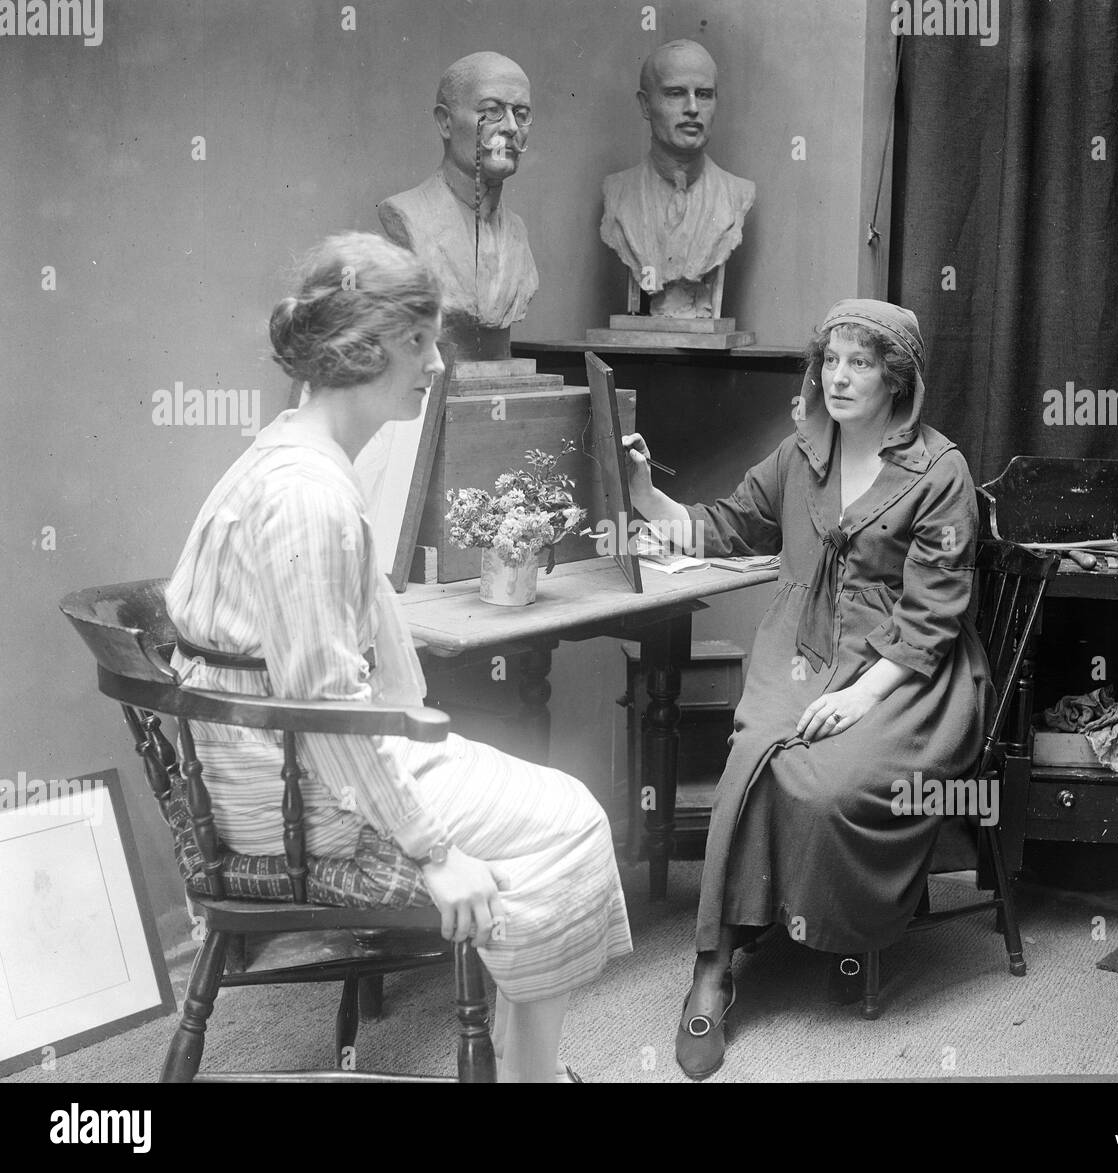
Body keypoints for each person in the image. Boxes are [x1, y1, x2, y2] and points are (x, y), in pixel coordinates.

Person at [166, 232, 631, 1083]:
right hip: (297, 798)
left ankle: (531, 1066)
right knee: (572, 824)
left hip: (283, 767)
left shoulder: (291, 455)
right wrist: (432, 850)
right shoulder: (308, 498)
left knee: (558, 804)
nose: (438, 362)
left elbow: (324, 687)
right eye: (421, 340)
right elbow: (330, 708)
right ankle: (532, 1077)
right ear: (364, 346)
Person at [623, 298, 992, 1079]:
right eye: (831, 360)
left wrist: (862, 697)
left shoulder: (941, 471)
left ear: (898, 379)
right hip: (801, 651)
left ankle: (832, 930)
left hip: (908, 670)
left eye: (861, 362)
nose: (840, 376)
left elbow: (932, 618)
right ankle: (715, 967)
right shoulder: (801, 453)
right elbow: (727, 526)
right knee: (756, 757)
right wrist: (646, 495)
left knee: (826, 785)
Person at [379, 52, 538, 358]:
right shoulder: (409, 216)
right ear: (445, 122)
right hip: (443, 381)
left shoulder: (517, 231)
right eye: (491, 111)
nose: (511, 127)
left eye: (521, 113)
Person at [600, 39, 755, 319]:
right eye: (675, 93)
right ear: (645, 105)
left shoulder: (737, 194)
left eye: (705, 94)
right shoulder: (617, 192)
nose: (693, 108)